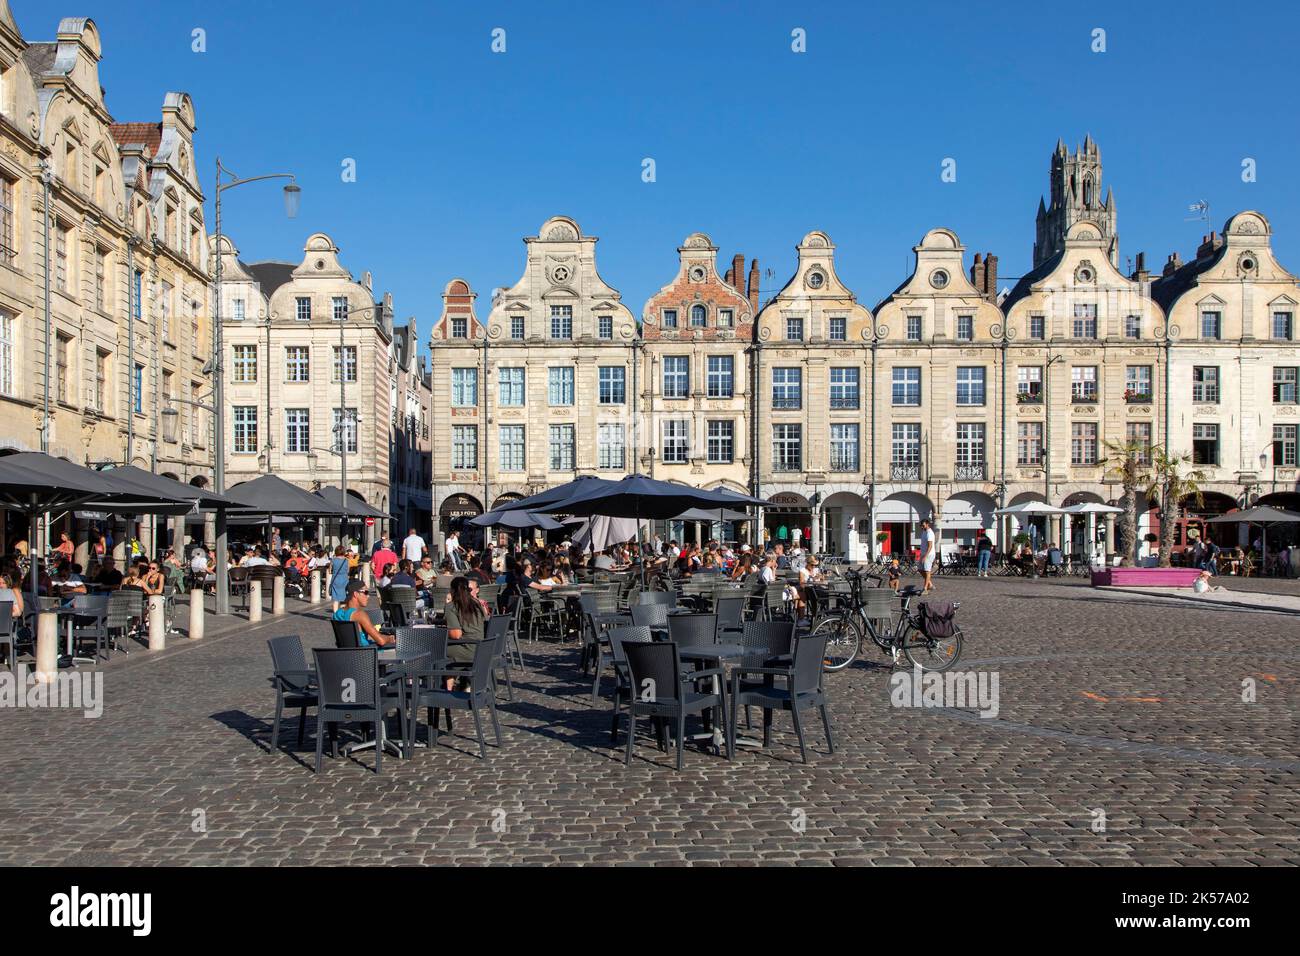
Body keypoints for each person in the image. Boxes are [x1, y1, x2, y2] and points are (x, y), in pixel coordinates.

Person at [442, 576, 489, 687]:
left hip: (467, 649)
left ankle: (447, 689)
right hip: (482, 648)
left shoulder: (451, 606)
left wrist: (443, 632)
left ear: (452, 590)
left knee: (437, 650)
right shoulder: (477, 604)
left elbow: (456, 635)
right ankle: (458, 686)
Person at [332, 579, 393, 647]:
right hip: (365, 653)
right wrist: (390, 638)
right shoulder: (360, 615)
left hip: (346, 654)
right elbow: (381, 641)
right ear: (355, 594)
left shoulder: (336, 615)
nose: (368, 596)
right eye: (366, 592)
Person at [328, 544, 351, 612]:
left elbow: (329, 571)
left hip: (336, 579)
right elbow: (348, 571)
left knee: (335, 599)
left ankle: (335, 614)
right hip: (344, 579)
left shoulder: (333, 560)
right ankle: (342, 614)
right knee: (343, 598)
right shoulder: (346, 560)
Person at [919, 518, 937, 593]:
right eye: (921, 526)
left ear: (927, 524)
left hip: (929, 554)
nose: (922, 527)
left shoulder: (930, 533)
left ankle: (925, 588)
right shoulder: (924, 532)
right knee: (920, 569)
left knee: (927, 571)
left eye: (923, 525)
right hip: (923, 553)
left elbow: (930, 546)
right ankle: (930, 584)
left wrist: (925, 556)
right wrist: (921, 555)